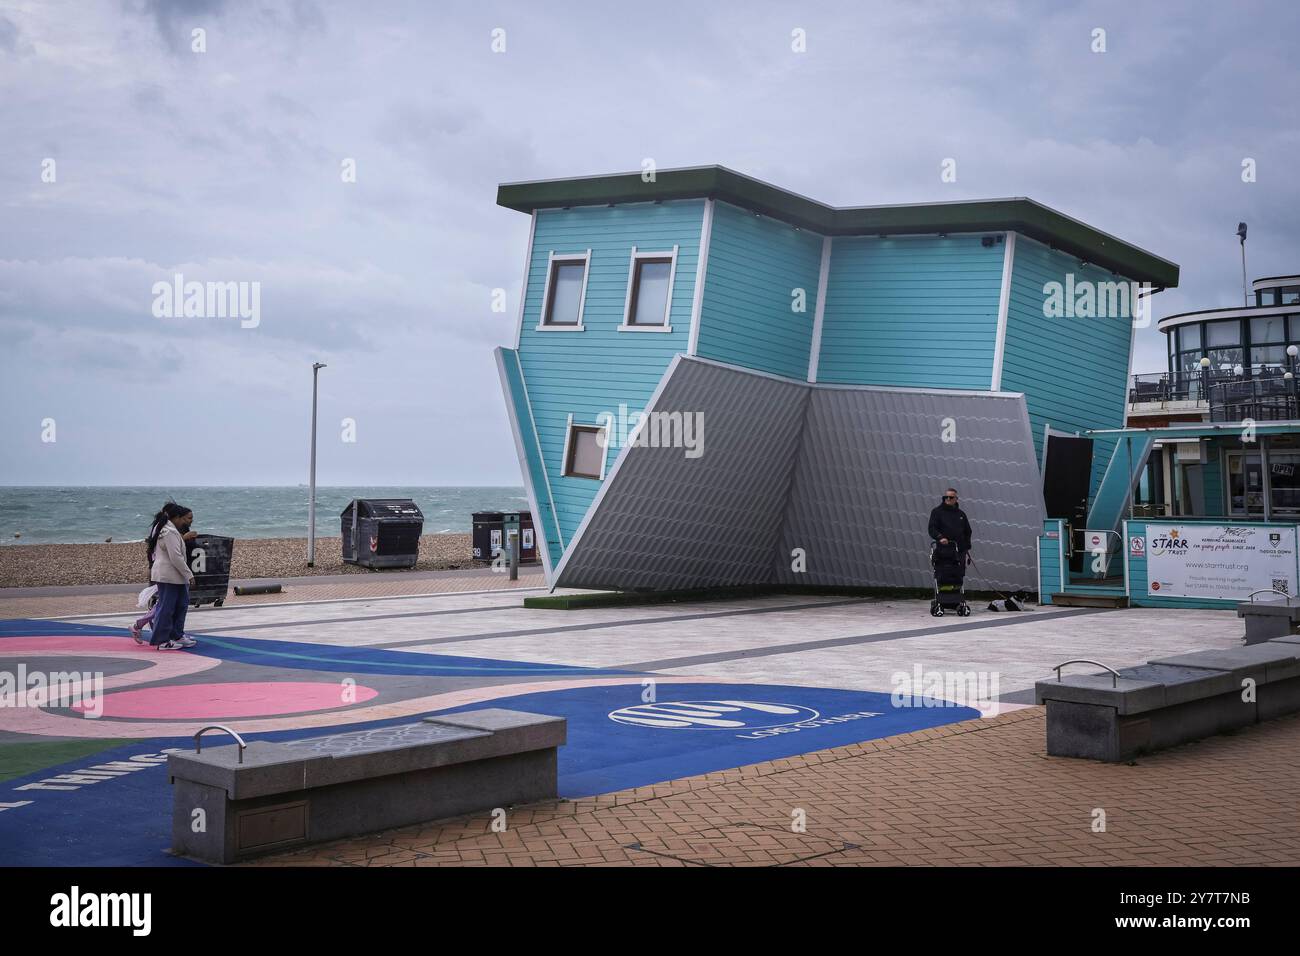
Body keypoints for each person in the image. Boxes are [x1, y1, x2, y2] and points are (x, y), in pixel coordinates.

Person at [130, 504, 198, 644]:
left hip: (175, 576)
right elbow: (175, 557)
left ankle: (177, 635)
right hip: (169, 575)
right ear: (177, 518)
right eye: (184, 518)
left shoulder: (168, 529)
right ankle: (162, 640)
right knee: (166, 608)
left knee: (181, 605)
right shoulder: (169, 532)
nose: (185, 522)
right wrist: (189, 574)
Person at [928, 487, 973, 562]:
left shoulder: (961, 514)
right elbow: (932, 528)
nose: (948, 499)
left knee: (959, 573)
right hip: (943, 551)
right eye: (946, 497)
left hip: (959, 551)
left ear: (956, 499)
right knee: (944, 572)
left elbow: (968, 531)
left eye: (951, 497)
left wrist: (966, 546)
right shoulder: (937, 512)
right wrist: (940, 537)